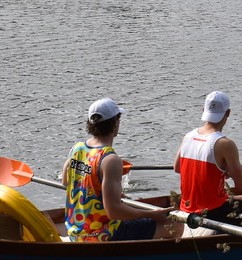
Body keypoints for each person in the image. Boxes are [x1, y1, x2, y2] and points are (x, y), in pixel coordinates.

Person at [62, 97, 178, 242]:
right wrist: (151, 214)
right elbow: (114, 212)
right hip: (104, 234)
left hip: (75, 231)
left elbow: (66, 182)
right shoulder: (110, 160)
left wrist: (103, 194)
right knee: (175, 225)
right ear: (116, 122)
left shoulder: (76, 149)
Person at [172, 90, 242, 230]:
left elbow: (177, 168)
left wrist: (220, 171)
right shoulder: (225, 144)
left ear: (203, 110)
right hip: (213, 213)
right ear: (228, 113)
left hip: (187, 209)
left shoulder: (188, 136)